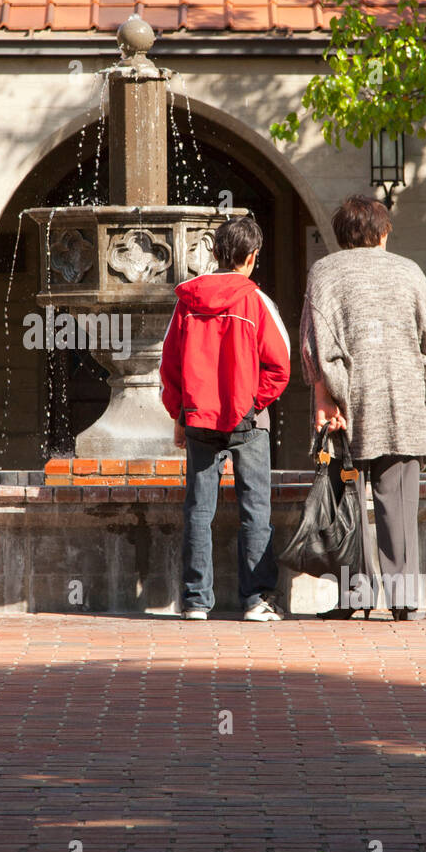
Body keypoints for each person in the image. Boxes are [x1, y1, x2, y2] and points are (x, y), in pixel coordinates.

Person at [298, 195, 426, 618]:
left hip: (345, 404)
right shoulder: (409, 271)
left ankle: (355, 598)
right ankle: (405, 601)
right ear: (383, 231)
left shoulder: (324, 271)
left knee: (346, 506)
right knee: (398, 506)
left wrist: (326, 394)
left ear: (342, 235)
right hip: (404, 406)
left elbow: (313, 345)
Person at [160, 215, 292, 621]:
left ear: (214, 253)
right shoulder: (257, 302)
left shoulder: (187, 302)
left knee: (199, 511)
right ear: (252, 258)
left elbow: (170, 366)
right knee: (256, 510)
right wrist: (254, 403)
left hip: (200, 420)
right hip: (248, 423)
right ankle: (254, 600)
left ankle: (196, 602)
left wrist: (180, 413)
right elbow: (280, 365)